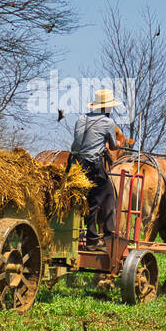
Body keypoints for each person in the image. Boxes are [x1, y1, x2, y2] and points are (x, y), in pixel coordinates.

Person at [69, 89, 121, 248]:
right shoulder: (108, 123)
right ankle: (108, 237)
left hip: (77, 166)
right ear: (105, 108)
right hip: (94, 166)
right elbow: (112, 145)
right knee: (108, 197)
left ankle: (90, 239)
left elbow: (77, 143)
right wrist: (117, 144)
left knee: (89, 200)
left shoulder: (81, 119)